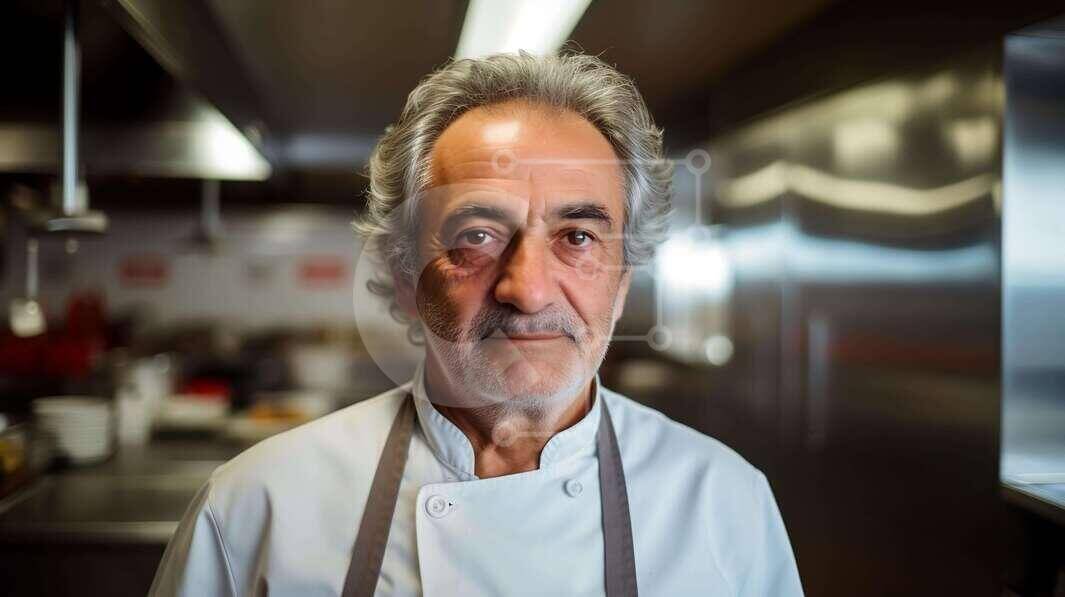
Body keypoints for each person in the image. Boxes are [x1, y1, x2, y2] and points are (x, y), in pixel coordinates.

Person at [150, 51, 803, 596]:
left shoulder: (726, 506)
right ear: (405, 277)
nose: (527, 288)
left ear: (622, 282)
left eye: (576, 235)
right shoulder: (253, 510)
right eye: (478, 235)